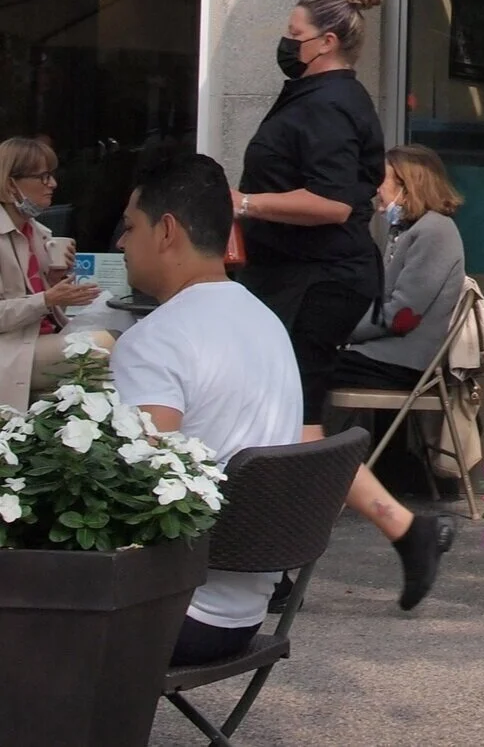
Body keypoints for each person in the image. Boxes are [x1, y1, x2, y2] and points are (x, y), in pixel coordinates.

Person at [234, 0, 453, 610]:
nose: (285, 41)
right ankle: (395, 535)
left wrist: (242, 203)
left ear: (327, 42)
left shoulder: (330, 103)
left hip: (317, 278)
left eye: (294, 32)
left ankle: (304, 558)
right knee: (290, 422)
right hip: (300, 276)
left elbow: (333, 202)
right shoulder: (315, 94)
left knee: (293, 423)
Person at [111, 153, 304, 667]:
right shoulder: (266, 322)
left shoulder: (155, 340)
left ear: (167, 230)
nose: (121, 243)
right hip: (243, 615)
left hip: (171, 614)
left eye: (130, 228)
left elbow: (139, 496)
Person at [335, 146, 467, 386]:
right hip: (387, 355)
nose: (376, 190)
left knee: (306, 366)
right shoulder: (407, 230)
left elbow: (402, 315)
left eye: (381, 181)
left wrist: (340, 329)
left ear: (407, 185)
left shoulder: (435, 230)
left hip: (402, 362)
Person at [0, 136, 103, 414]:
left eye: (52, 175)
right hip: (10, 350)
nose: (53, 184)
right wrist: (46, 299)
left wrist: (60, 287)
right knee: (108, 347)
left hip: (36, 340)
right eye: (43, 177)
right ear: (11, 183)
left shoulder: (39, 232)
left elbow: (47, 308)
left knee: (123, 334)